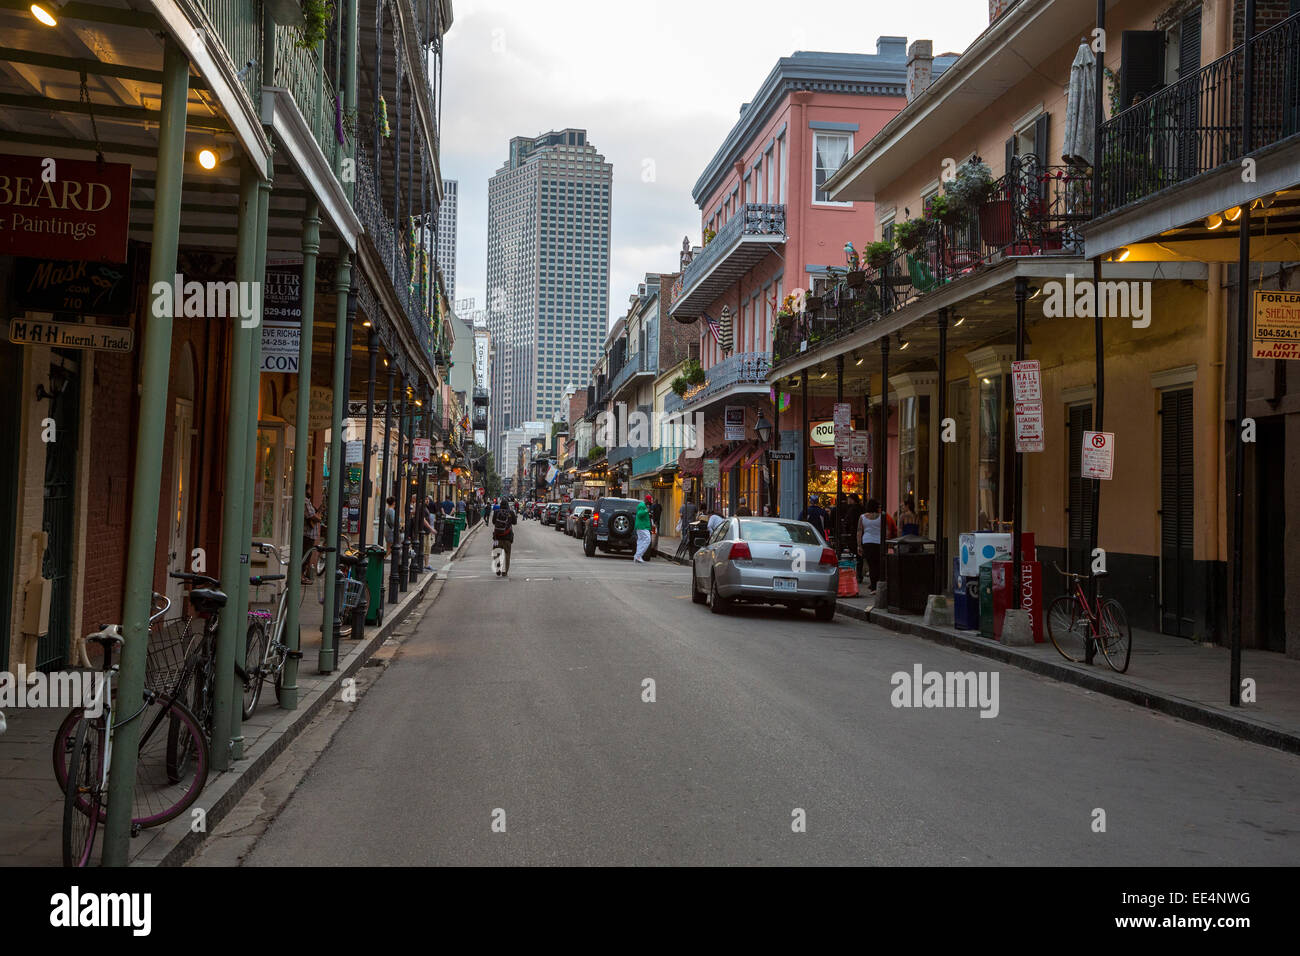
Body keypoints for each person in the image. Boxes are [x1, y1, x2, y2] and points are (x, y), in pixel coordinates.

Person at [858, 498, 884, 592]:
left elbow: (859, 531)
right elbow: (885, 530)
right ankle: (877, 585)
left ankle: (873, 586)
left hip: (867, 542)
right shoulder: (881, 517)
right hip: (879, 542)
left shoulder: (862, 517)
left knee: (871, 565)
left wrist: (859, 545)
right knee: (878, 564)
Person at [491, 499, 517, 576]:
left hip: (497, 537)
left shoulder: (496, 512)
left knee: (496, 553)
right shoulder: (511, 512)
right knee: (507, 555)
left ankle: (497, 568)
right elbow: (515, 522)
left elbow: (493, 522)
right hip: (507, 538)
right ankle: (504, 572)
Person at [302, 494, 321, 584]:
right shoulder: (305, 501)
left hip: (310, 534)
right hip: (307, 534)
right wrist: (320, 519)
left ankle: (303, 575)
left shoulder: (308, 502)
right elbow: (311, 516)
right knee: (305, 556)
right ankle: (301, 576)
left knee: (307, 556)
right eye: (309, 490)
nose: (310, 492)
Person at [633, 496, 654, 563]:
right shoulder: (642, 505)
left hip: (641, 526)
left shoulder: (642, 505)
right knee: (647, 539)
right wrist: (646, 511)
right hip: (642, 526)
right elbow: (639, 514)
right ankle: (638, 555)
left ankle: (637, 556)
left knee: (640, 541)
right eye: (650, 501)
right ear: (647, 500)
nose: (650, 503)